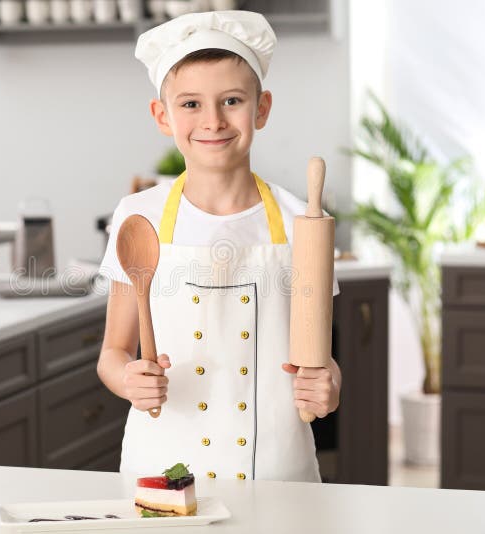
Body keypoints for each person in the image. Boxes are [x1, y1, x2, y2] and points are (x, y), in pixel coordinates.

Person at [97, 10, 341, 482]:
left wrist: (328, 385)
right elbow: (113, 352)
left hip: (277, 470)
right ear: (162, 116)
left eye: (231, 100)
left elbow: (320, 357)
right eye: (190, 104)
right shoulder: (137, 216)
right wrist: (128, 381)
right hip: (162, 468)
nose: (212, 121)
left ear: (261, 109)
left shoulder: (302, 223)